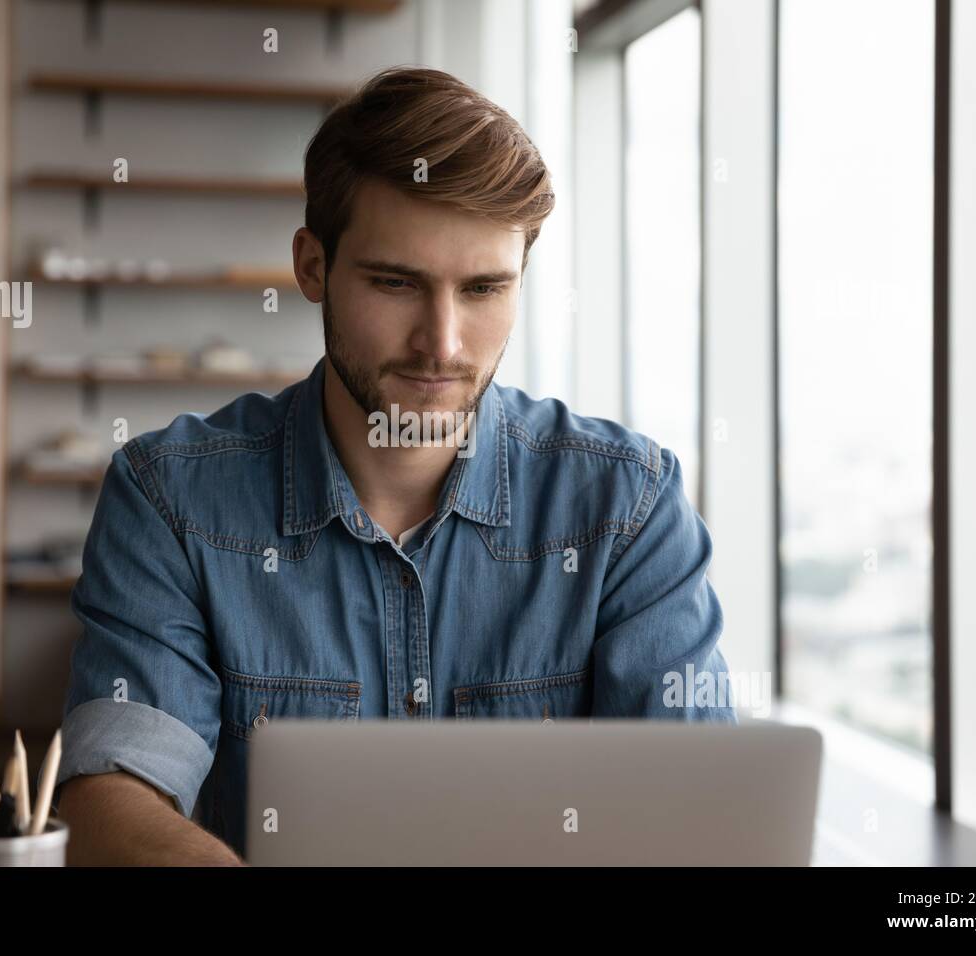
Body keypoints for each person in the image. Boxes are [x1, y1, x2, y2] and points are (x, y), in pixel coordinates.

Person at [55, 66, 735, 866]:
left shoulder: (628, 508)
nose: (442, 344)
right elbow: (112, 791)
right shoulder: (170, 497)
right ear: (312, 268)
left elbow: (699, 813)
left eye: (483, 288)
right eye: (395, 283)